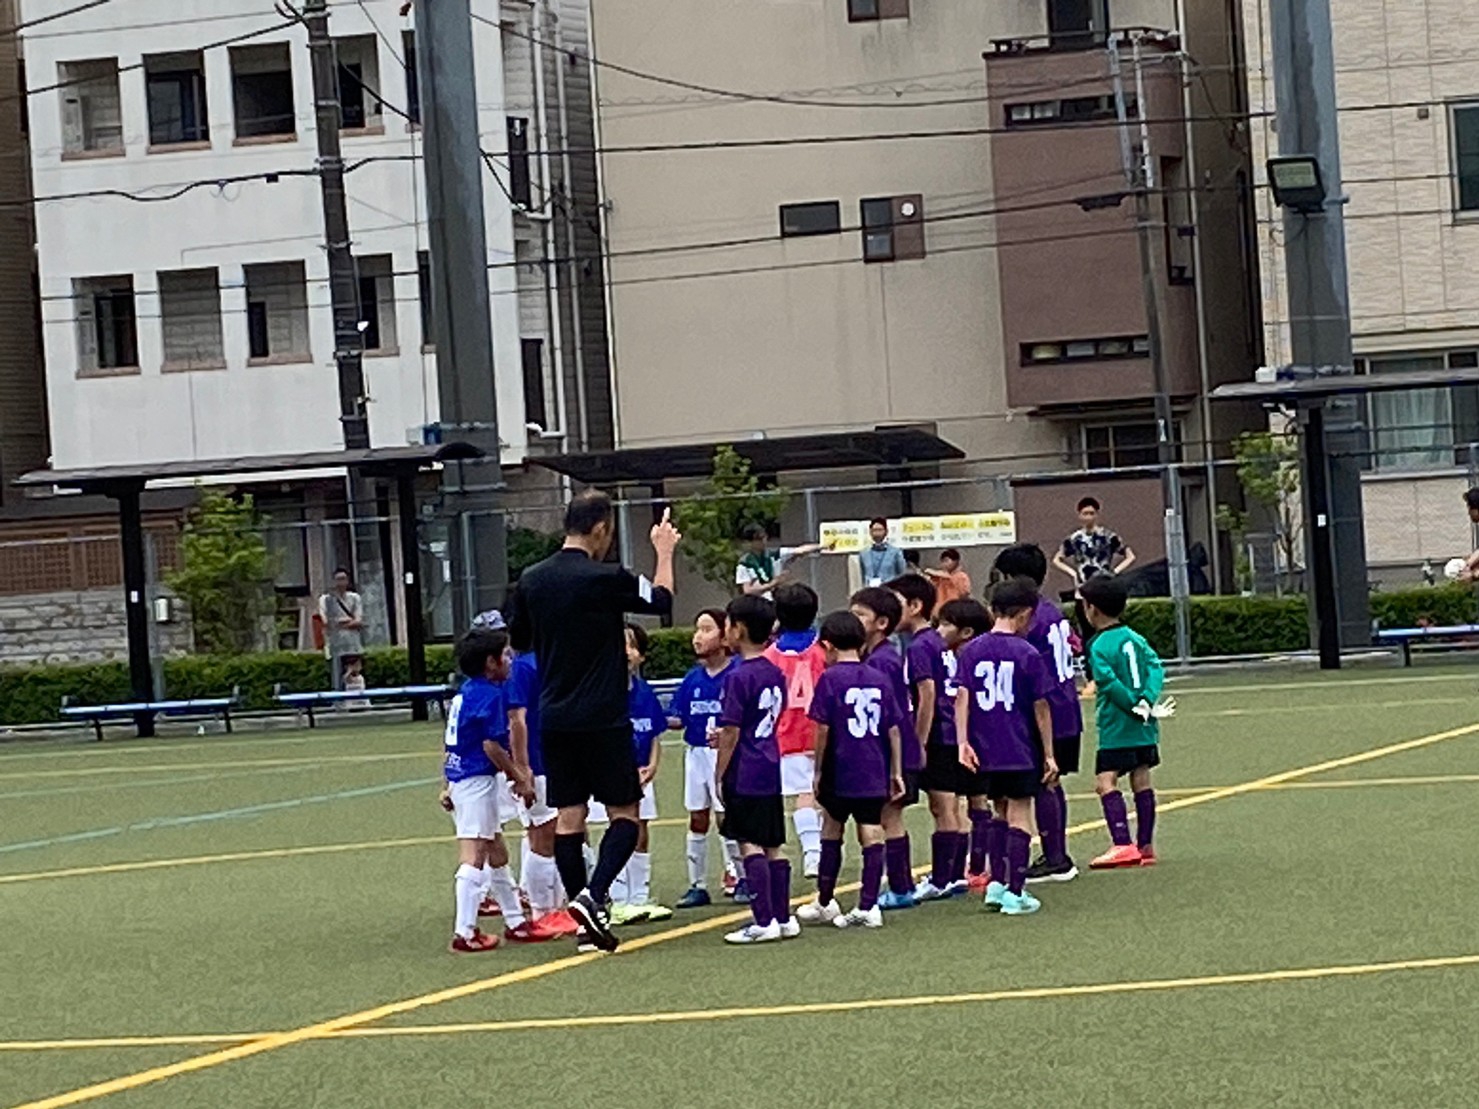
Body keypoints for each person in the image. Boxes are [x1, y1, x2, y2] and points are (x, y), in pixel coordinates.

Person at [505, 490, 680, 954]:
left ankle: (586, 924)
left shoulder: (531, 579)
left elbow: (520, 638)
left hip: (554, 715)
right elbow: (661, 599)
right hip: (603, 715)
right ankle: (593, 895)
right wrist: (663, 551)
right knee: (625, 813)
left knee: (570, 816)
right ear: (601, 528)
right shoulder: (607, 577)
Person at [442, 628, 551, 951]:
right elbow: (491, 746)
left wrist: (447, 783)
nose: (510, 660)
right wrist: (518, 776)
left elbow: (452, 741)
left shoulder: (466, 691)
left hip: (467, 778)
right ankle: (465, 932)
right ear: (490, 663)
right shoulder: (488, 695)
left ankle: (515, 921)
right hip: (475, 781)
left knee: (496, 851)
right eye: (504, 655)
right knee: (474, 854)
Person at [954, 579, 1057, 916]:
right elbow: (1041, 706)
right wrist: (1049, 753)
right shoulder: (1027, 652)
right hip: (1018, 746)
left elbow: (962, 697)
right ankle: (1016, 891)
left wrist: (962, 741)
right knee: (1020, 814)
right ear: (1025, 614)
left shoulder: (971, 650)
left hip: (984, 747)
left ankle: (997, 884)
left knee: (999, 810)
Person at [796, 610, 905, 930]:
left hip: (841, 764)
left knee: (832, 826)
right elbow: (894, 729)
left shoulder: (830, 679)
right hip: (873, 765)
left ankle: (826, 900)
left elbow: (823, 728)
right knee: (871, 828)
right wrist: (896, 770)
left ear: (828, 645)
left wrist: (818, 770)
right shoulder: (878, 677)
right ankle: (868, 903)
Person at [994, 544, 1084, 884]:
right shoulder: (1050, 610)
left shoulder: (1029, 618)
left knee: (1045, 781)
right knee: (1051, 780)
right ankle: (1055, 853)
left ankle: (1056, 857)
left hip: (1047, 708)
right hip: (1065, 703)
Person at [1079, 574, 1173, 870]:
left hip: (1117, 726)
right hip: (1145, 723)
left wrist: (1132, 705)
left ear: (1092, 608)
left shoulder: (1098, 645)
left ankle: (1122, 844)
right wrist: (1146, 700)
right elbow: (1155, 667)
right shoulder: (1135, 637)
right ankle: (1146, 846)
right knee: (1141, 777)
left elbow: (1108, 682)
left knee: (1105, 781)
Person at [714, 594, 794, 945]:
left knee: (749, 842)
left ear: (740, 629)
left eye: (727, 625)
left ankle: (763, 920)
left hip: (745, 767)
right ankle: (783, 916)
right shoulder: (774, 672)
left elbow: (731, 730)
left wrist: (720, 773)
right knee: (772, 842)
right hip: (769, 764)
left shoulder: (738, 676)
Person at [890, 574, 967, 902]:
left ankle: (943, 878)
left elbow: (928, 693)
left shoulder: (920, 645)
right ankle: (953, 874)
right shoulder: (936, 641)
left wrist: (919, 741)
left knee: (942, 805)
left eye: (896, 603)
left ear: (915, 606)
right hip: (949, 729)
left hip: (939, 732)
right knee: (949, 805)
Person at [850, 585, 920, 910]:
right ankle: (901, 884)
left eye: (860, 614)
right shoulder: (875, 657)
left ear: (882, 623)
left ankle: (901, 885)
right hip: (888, 751)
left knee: (889, 816)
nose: (853, 620)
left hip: (891, 752)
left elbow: (888, 715)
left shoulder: (882, 661)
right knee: (887, 816)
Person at [504, 645, 580, 938]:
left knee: (557, 832)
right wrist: (522, 767)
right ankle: (542, 911)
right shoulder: (525, 667)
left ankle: (554, 907)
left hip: (554, 759)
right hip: (538, 763)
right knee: (542, 835)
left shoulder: (543, 661)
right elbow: (516, 719)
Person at [667, 609, 740, 909]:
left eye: (707, 629)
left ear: (724, 637)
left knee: (728, 816)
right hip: (696, 754)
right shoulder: (692, 678)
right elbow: (677, 717)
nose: (697, 637)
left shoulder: (736, 673)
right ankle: (697, 885)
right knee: (697, 816)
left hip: (725, 754)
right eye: (697, 629)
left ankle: (740, 876)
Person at [605, 625, 672, 925]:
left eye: (631, 646)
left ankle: (640, 898)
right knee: (618, 828)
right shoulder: (605, 692)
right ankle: (617, 899)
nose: (625, 652)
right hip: (614, 774)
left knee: (641, 831)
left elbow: (655, 733)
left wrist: (653, 765)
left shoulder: (644, 692)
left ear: (641, 656)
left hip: (642, 774)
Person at [761, 583, 827, 878]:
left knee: (803, 794)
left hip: (788, 734)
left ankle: (813, 853)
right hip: (824, 732)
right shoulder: (824, 649)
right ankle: (822, 850)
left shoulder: (770, 656)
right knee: (823, 795)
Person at [936, 598, 995, 891]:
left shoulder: (972, 657)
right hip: (959, 735)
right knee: (968, 801)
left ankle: (974, 866)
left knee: (972, 801)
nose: (939, 630)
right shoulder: (947, 655)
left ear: (967, 632)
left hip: (970, 737)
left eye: (946, 624)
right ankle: (968, 867)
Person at [1053, 497, 1137, 587]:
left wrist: (1114, 572)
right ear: (1080, 515)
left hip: (1104, 584)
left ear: (1097, 515)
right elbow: (1056, 559)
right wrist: (1073, 574)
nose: (1089, 517)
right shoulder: (1074, 538)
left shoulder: (1108, 536)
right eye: (1085, 514)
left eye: (1092, 513)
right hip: (1083, 585)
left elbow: (1130, 556)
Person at [735, 523, 829, 600]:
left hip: (777, 600)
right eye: (758, 539)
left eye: (764, 537)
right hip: (759, 604)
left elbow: (799, 550)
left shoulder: (775, 554)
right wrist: (774, 583)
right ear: (749, 542)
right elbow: (748, 591)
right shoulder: (745, 563)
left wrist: (821, 546)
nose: (763, 541)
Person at [319, 568, 364, 691]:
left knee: (354, 678)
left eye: (343, 579)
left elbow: (358, 620)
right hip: (334, 645)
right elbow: (326, 622)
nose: (341, 582)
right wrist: (346, 621)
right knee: (336, 677)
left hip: (353, 645)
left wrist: (339, 622)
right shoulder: (325, 599)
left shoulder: (355, 598)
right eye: (338, 579)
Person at [858, 517, 908, 587]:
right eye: (874, 530)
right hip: (869, 590)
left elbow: (902, 574)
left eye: (880, 530)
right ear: (870, 532)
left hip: (889, 590)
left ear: (886, 531)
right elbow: (862, 575)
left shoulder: (896, 552)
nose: (877, 533)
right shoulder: (864, 553)